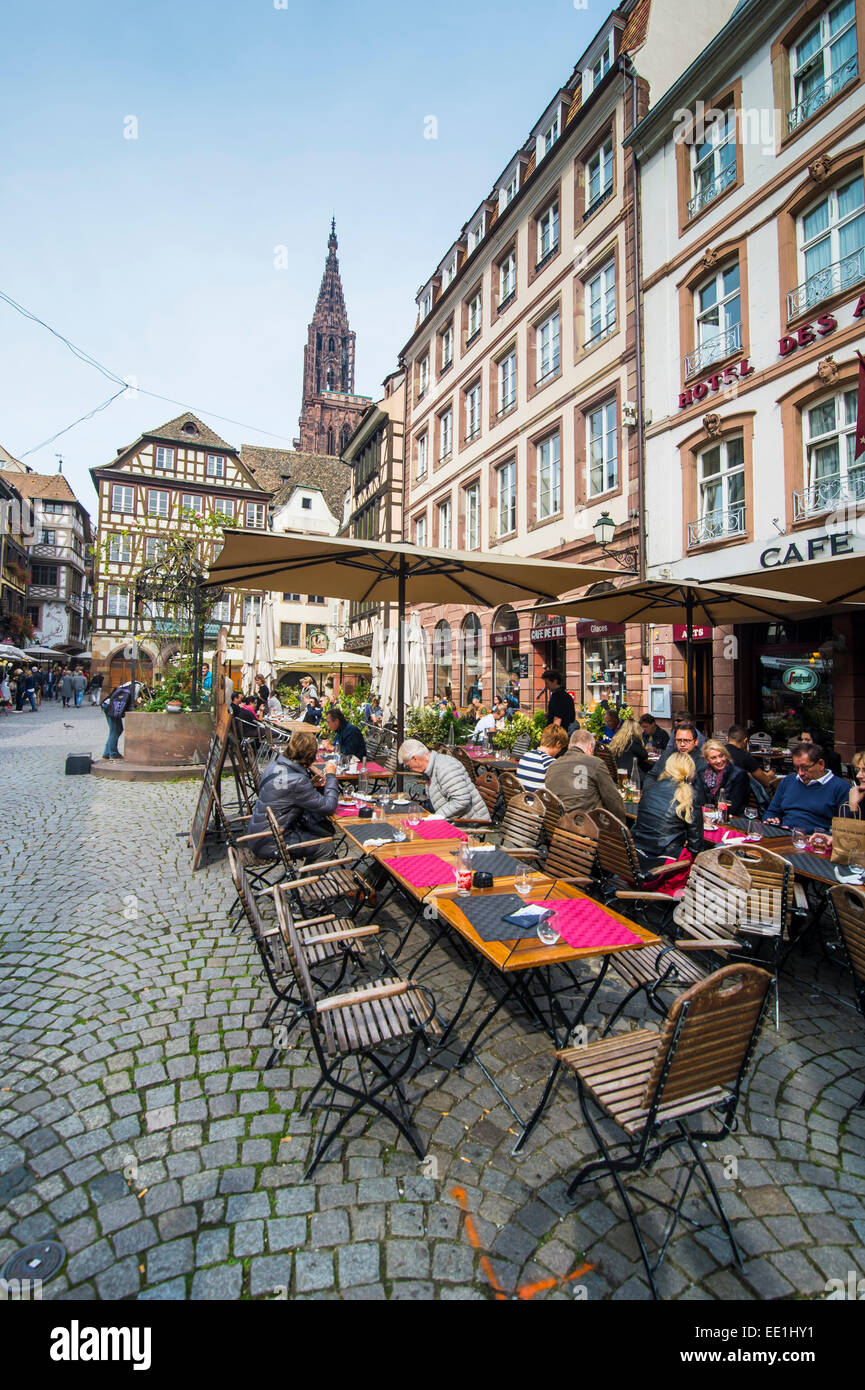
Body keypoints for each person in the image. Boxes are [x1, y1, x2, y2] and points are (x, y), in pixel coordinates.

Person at [247, 729, 340, 860]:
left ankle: (311, 875)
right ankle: (310, 880)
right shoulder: (296, 781)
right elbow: (328, 806)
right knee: (326, 846)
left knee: (319, 834)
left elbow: (285, 792)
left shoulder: (273, 766)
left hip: (258, 835)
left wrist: (308, 783)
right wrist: (331, 775)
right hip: (272, 841)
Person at [632, 752, 705, 878]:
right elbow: (696, 846)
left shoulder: (651, 789)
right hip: (663, 866)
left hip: (637, 859)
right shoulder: (689, 796)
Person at [765, 742, 850, 833]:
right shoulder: (788, 781)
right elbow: (772, 811)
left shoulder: (841, 788)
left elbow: (845, 829)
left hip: (816, 841)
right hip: (783, 835)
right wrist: (771, 820)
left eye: (805, 768)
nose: (800, 773)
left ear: (821, 764)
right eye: (796, 768)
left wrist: (823, 837)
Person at [398, 739, 490, 822]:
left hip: (469, 823)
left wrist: (438, 816)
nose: (411, 769)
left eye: (409, 766)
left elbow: (462, 800)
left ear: (415, 759)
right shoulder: (433, 767)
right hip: (454, 819)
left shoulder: (445, 767)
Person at [545, 728, 626, 817]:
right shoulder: (596, 763)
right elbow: (613, 799)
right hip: (587, 826)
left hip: (558, 825)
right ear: (590, 747)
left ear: (569, 746)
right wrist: (621, 827)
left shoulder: (552, 766)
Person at [697, 739, 749, 816]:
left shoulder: (739, 775)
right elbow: (699, 800)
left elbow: (734, 808)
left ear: (726, 755)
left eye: (721, 756)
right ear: (707, 760)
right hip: (706, 816)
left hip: (731, 818)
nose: (719, 761)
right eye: (713, 758)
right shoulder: (702, 773)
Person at [515, 725, 568, 791]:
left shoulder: (525, 756)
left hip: (521, 799)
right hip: (537, 800)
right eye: (561, 748)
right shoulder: (550, 763)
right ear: (558, 743)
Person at [101, 681, 139, 760]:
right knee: (115, 730)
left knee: (115, 730)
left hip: (108, 705)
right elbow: (134, 701)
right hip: (112, 707)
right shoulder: (137, 687)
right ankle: (113, 754)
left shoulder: (131, 684)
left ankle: (107, 753)